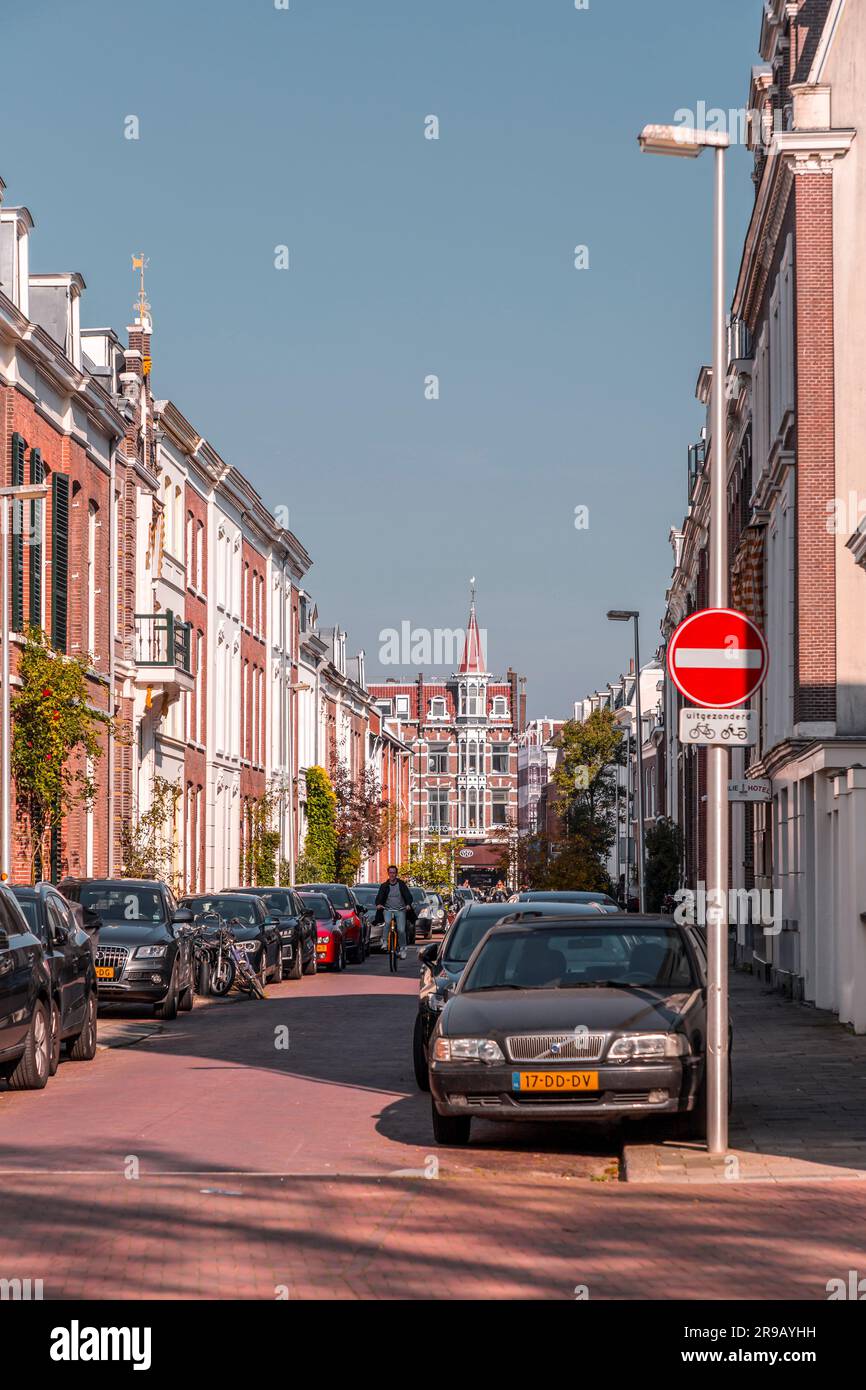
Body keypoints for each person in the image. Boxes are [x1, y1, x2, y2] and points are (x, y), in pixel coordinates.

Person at [374, 865, 415, 960]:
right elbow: (379, 897)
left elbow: (408, 896)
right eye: (390, 873)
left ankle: (403, 948)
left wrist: (408, 904)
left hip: (400, 909)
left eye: (394, 873)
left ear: (396, 874)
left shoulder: (401, 884)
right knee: (387, 923)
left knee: (401, 930)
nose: (392, 874)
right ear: (388, 874)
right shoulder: (384, 886)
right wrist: (378, 904)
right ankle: (384, 942)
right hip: (387, 909)